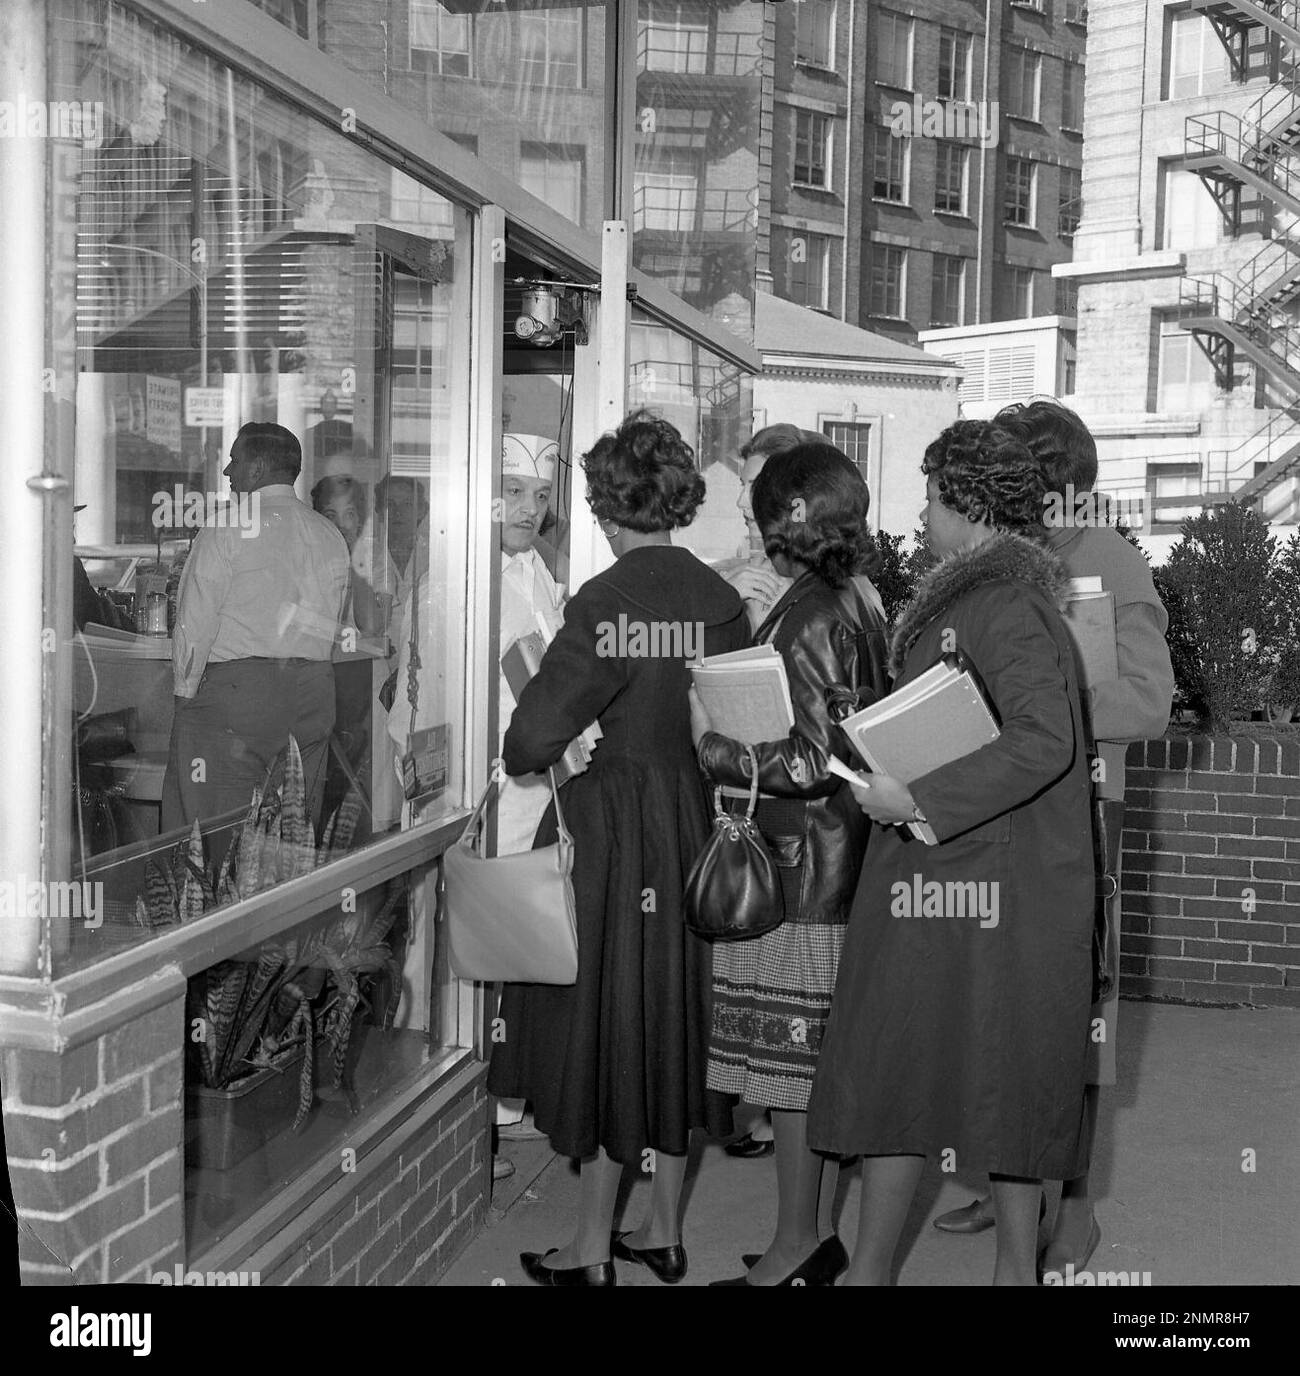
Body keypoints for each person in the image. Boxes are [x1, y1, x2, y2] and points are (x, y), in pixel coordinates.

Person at [806, 419, 1096, 1286]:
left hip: (975, 883)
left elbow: (1043, 739)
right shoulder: (993, 597)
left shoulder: (1003, 604)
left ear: (969, 505)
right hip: (957, 877)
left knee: (946, 1076)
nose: (921, 514)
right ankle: (897, 1272)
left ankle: (983, 1273)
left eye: (932, 497)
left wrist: (918, 799)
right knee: (938, 1077)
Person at [487, 411, 749, 1286]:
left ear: (605, 505)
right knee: (673, 1021)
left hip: (610, 838)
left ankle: (591, 1247)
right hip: (691, 829)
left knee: (607, 1026)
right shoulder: (721, 602)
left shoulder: (603, 602)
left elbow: (528, 742)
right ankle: (664, 1230)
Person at [931, 399, 1175, 1274]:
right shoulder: (1000, 559)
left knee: (1076, 1021)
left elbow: (1147, 702)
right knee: (998, 1011)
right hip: (999, 811)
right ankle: (1009, 1188)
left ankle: (1073, 1212)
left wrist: (1031, 705)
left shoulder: (1107, 559)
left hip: (1083, 819)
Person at [688, 442, 889, 1286]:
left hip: (799, 871)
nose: (755, 526)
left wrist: (713, 743)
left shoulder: (812, 613)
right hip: (831, 861)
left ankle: (795, 1247)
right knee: (805, 1066)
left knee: (790, 1072)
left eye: (762, 510)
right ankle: (812, 1238)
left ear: (795, 515)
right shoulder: (854, 597)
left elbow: (812, 759)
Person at [161, 423, 350, 847]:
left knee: (219, 833)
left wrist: (183, 699)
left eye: (235, 460)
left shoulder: (227, 527)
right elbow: (333, 620)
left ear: (258, 467)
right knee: (294, 834)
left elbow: (195, 623)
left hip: (239, 698)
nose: (228, 470)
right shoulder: (329, 534)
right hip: (315, 692)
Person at [719, 424, 822, 632]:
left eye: (756, 487)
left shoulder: (820, 584)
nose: (741, 501)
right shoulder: (757, 571)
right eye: (743, 485)